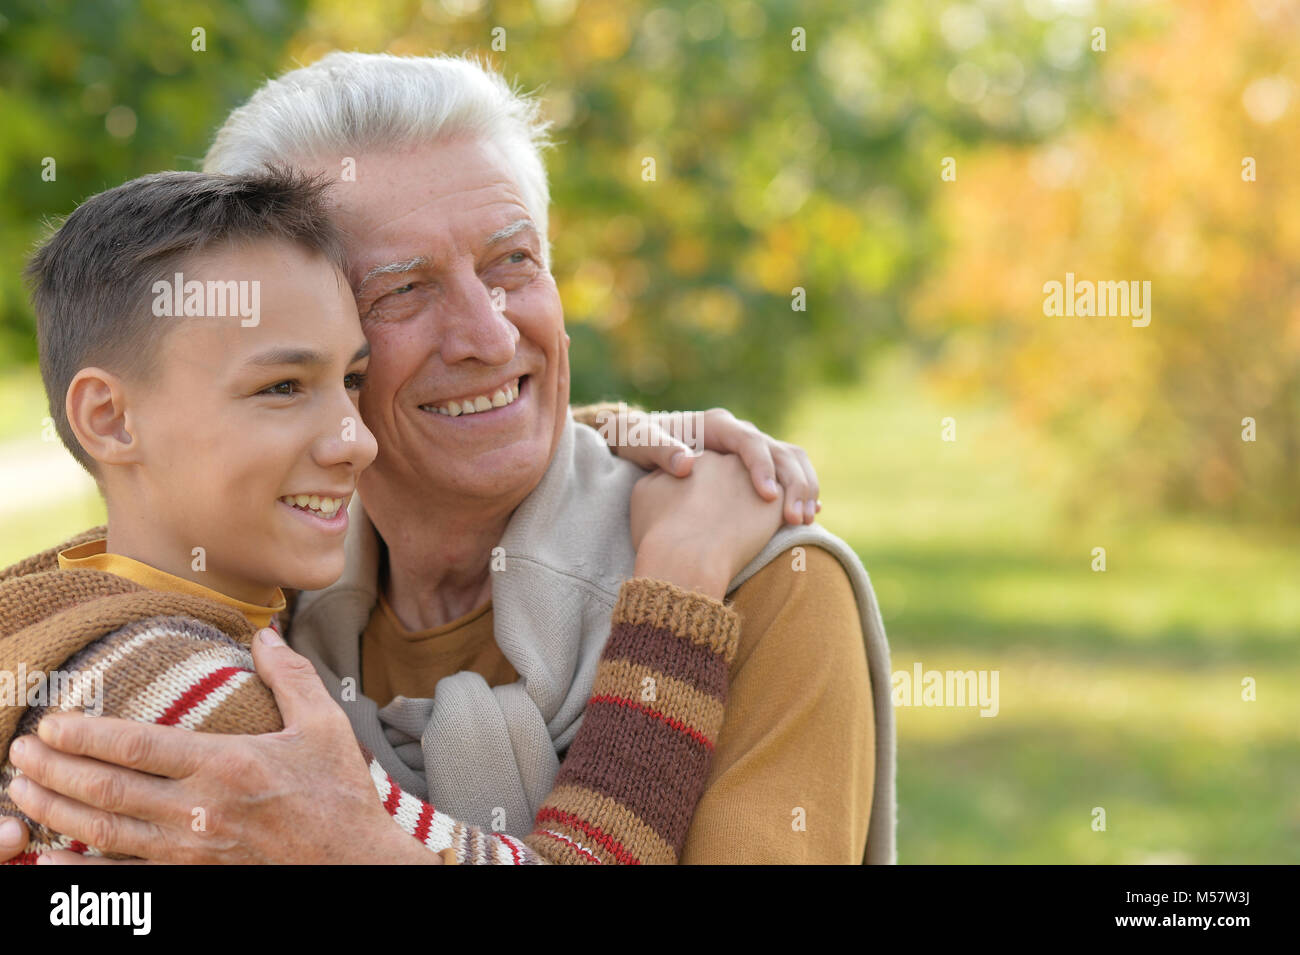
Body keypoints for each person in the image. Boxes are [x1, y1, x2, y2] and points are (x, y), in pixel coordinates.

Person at [8, 52, 895, 865]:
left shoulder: (764, 583)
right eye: (404, 290)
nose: (490, 333)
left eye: (513, 263)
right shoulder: (248, 581)